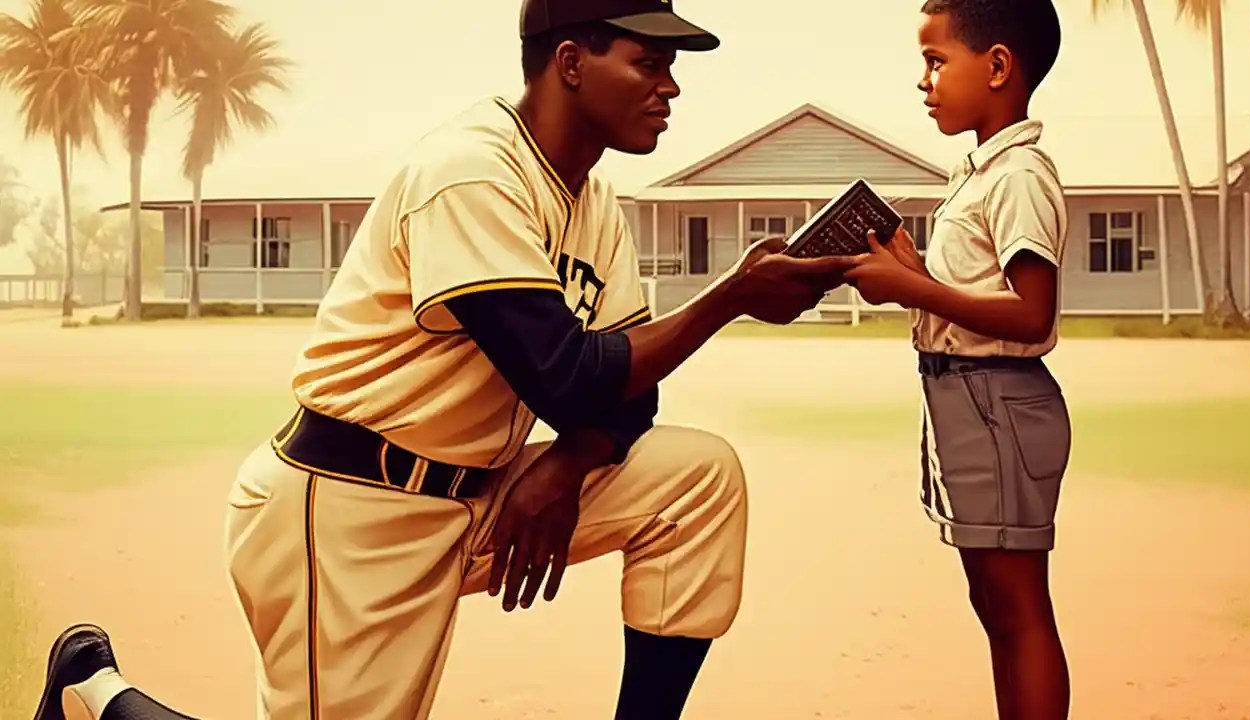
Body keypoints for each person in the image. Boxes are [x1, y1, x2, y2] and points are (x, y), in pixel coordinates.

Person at [30, 0, 861, 718]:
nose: (671, 87)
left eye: (671, 67)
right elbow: (570, 375)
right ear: (571, 62)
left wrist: (571, 463)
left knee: (697, 477)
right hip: (347, 505)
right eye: (649, 62)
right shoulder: (469, 171)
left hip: (477, 496)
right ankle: (94, 691)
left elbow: (630, 394)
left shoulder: (595, 201)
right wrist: (728, 298)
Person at [843, 1, 1072, 719]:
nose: (924, 81)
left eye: (936, 61)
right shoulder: (977, 173)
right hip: (971, 405)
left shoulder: (1018, 175)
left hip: (997, 401)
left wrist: (909, 285)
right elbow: (967, 294)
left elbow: (1032, 315)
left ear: (999, 66)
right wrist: (912, 275)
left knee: (1018, 609)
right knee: (997, 602)